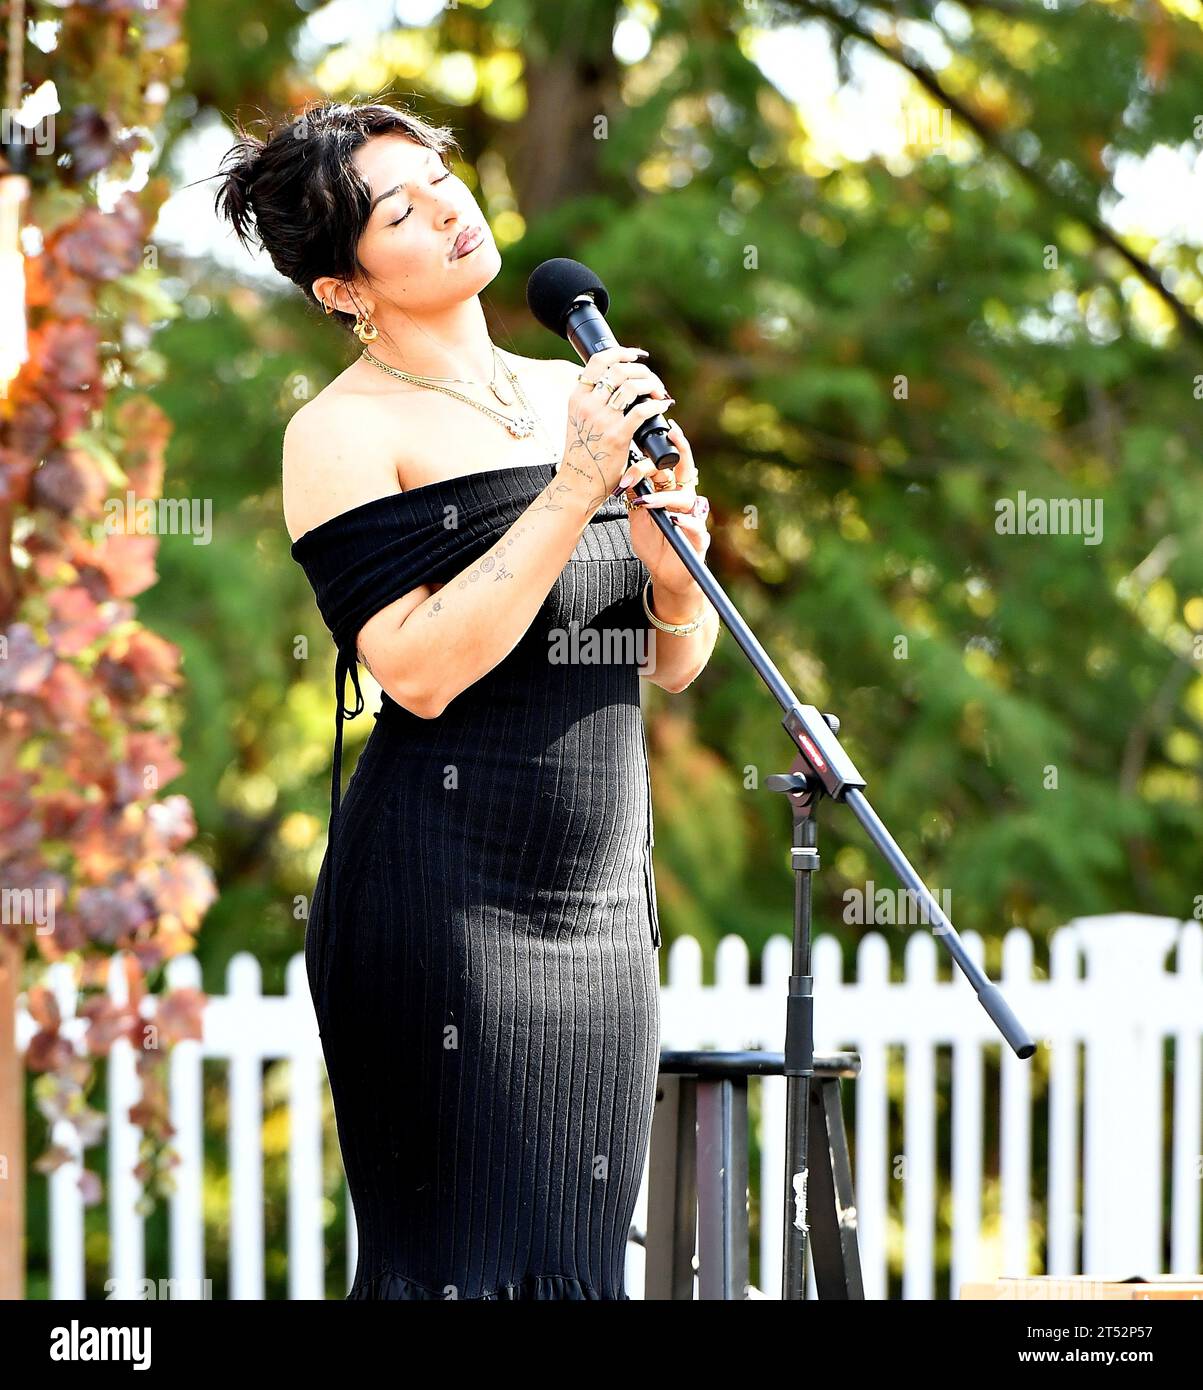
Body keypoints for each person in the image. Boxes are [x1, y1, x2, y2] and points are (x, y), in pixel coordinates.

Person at [215, 98, 719, 1300]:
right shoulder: (339, 434)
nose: (447, 203)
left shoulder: (575, 387)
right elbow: (422, 668)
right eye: (400, 206)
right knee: (461, 1269)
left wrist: (669, 579)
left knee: (580, 1271)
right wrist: (575, 484)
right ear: (344, 287)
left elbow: (675, 662)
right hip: (447, 909)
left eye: (440, 177)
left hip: (602, 912)